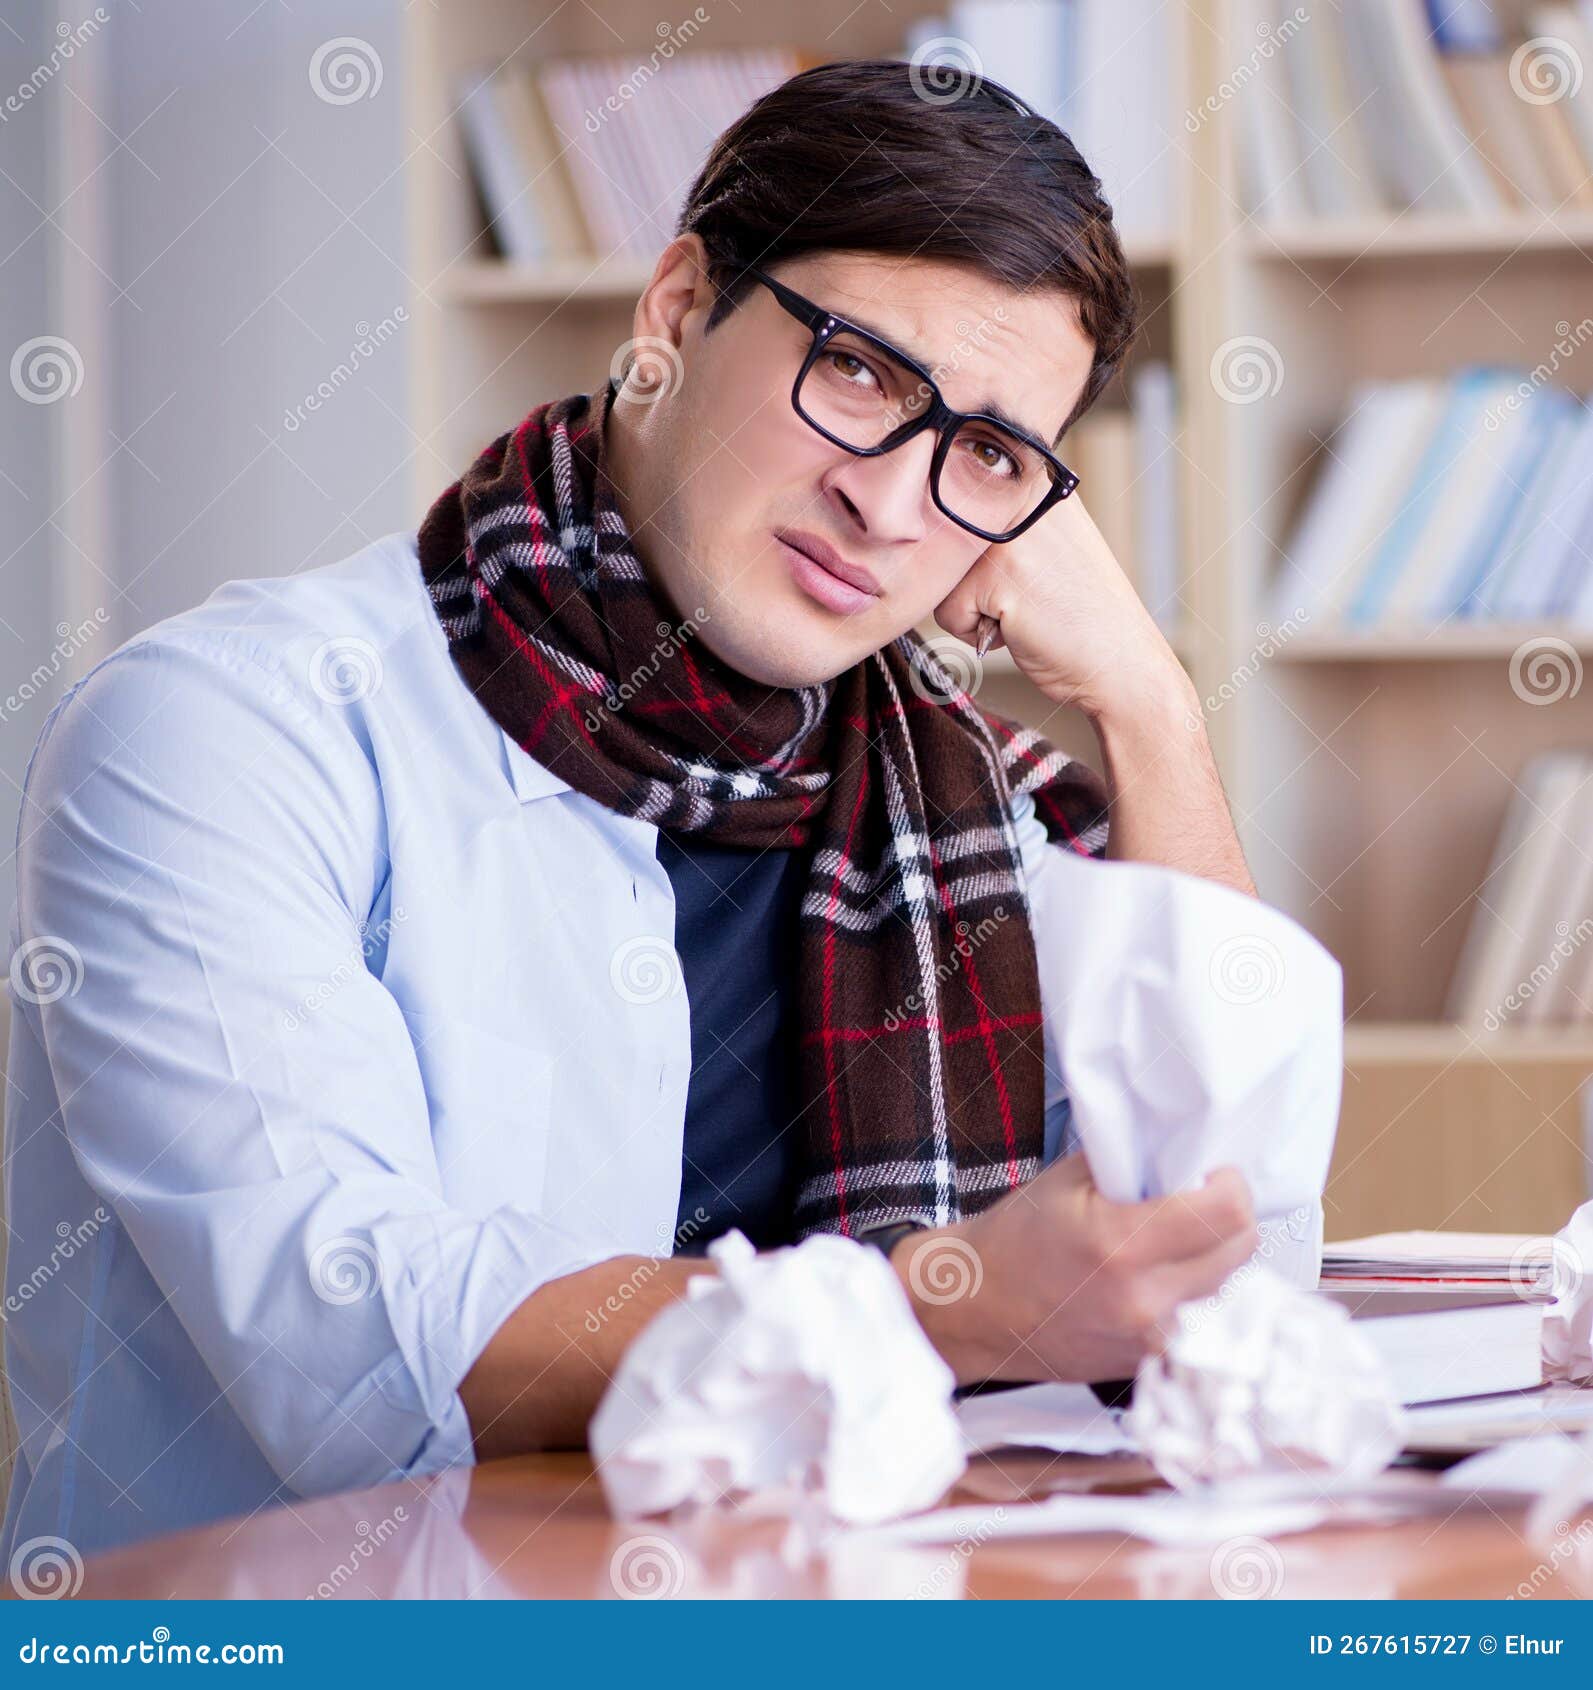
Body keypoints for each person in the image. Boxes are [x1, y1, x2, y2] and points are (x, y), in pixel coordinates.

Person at [3, 59, 1277, 1558]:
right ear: (677, 307)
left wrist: (1152, 706)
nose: (891, 502)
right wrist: (955, 1302)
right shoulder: (224, 729)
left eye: (985, 454)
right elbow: (359, 1356)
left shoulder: (968, 802)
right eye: (860, 370)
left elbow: (1229, 1251)